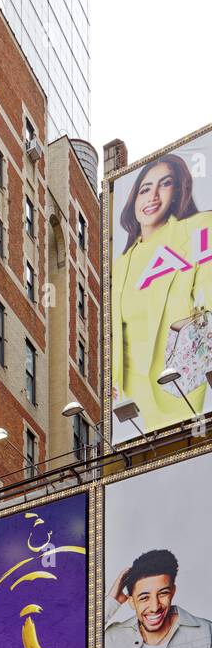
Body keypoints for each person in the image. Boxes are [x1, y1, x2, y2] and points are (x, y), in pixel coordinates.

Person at [111, 153, 212, 436]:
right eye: (145, 188)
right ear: (134, 198)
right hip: (130, 399)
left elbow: (208, 287)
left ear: (177, 191)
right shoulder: (121, 263)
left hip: (179, 381)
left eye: (165, 184)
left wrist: (193, 326)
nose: (152, 196)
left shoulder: (198, 226)